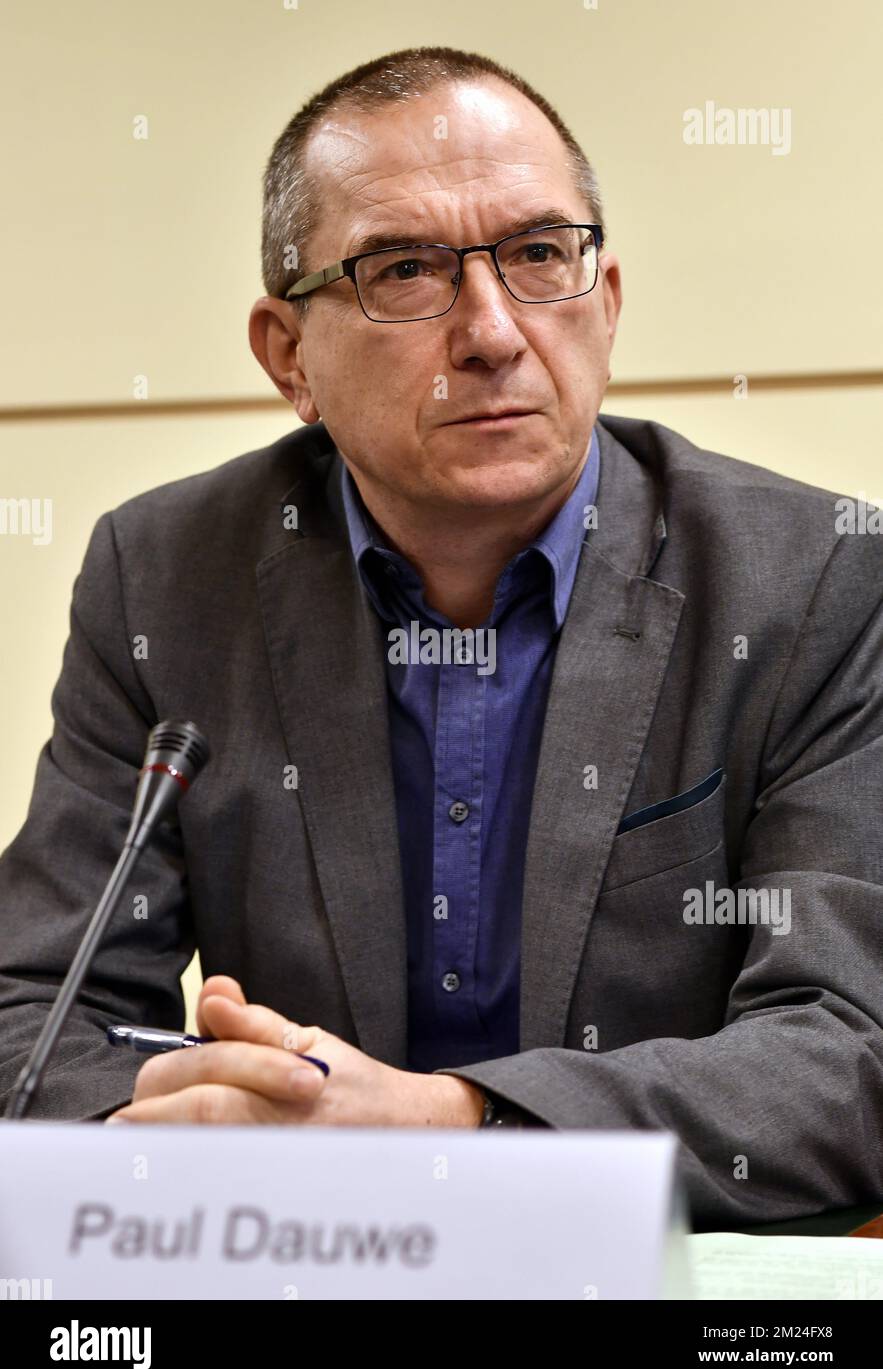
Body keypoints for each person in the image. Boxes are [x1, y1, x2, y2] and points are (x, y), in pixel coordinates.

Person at [1, 45, 882, 1227]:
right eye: (403, 270)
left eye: (535, 257)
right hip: (304, 1265)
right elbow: (36, 1006)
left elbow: (846, 1050)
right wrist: (196, 1134)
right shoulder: (163, 580)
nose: (492, 331)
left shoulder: (811, 579)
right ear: (287, 356)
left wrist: (455, 1126)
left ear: (605, 302)